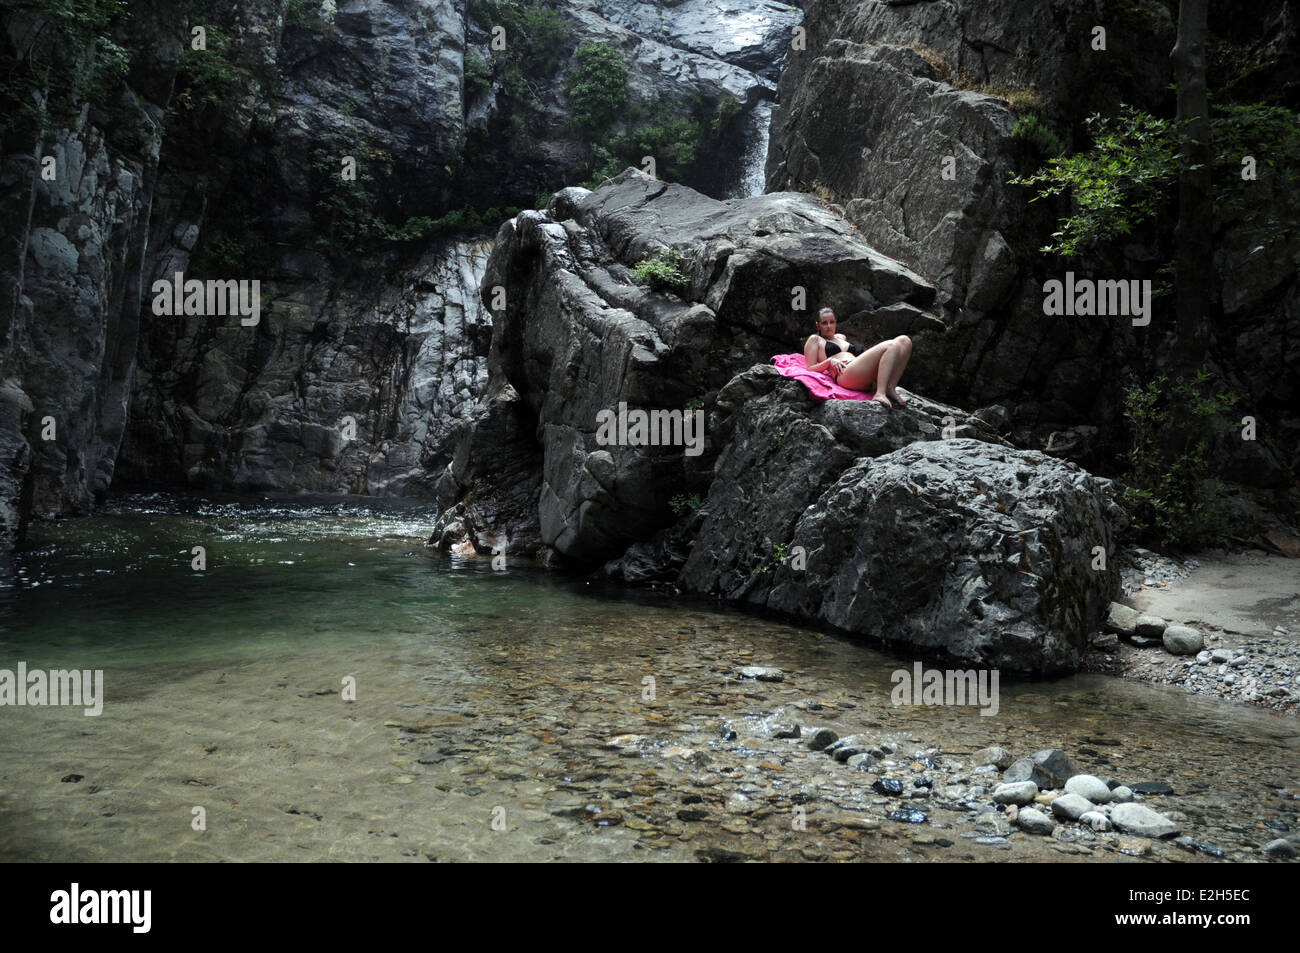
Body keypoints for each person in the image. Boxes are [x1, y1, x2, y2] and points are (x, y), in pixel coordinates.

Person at [803, 307, 911, 408]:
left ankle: (890, 388)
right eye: (824, 323)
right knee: (891, 345)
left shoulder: (841, 337)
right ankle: (880, 393)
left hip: (858, 371)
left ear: (836, 322)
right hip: (844, 374)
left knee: (905, 341)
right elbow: (810, 368)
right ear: (818, 325)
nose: (829, 326)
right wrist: (829, 361)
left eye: (832, 322)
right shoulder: (815, 340)